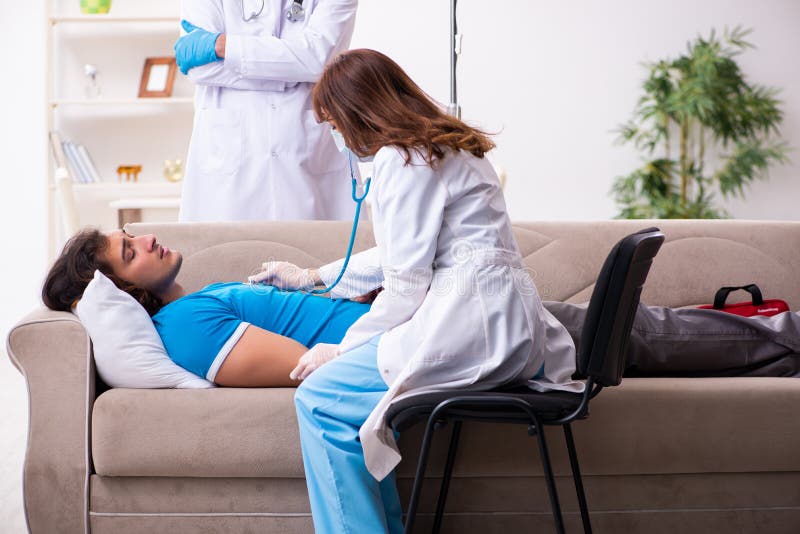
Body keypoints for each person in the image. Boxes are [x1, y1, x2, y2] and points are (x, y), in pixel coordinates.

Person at [173, 0, 359, 222]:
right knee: (225, 243)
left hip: (310, 169)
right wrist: (296, 69)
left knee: (321, 243)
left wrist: (227, 48)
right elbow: (200, 69)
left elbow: (319, 59)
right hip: (227, 175)